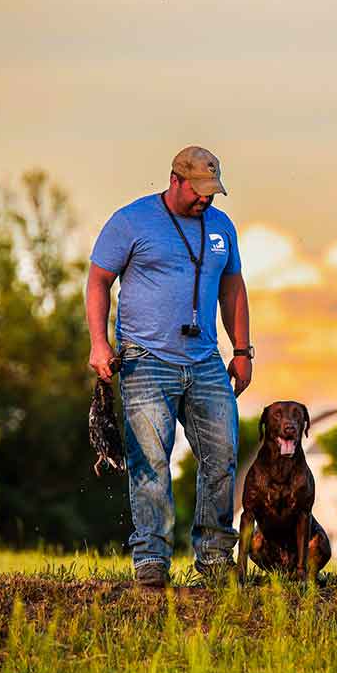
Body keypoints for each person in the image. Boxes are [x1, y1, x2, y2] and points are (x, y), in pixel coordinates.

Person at [85, 146, 253, 587]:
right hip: (146, 360)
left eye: (212, 193)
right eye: (198, 191)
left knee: (223, 454)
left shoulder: (221, 227)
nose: (205, 200)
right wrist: (100, 344)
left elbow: (233, 287)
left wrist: (242, 350)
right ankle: (152, 560)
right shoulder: (131, 221)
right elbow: (98, 280)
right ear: (176, 179)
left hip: (205, 361)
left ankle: (215, 556)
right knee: (151, 461)